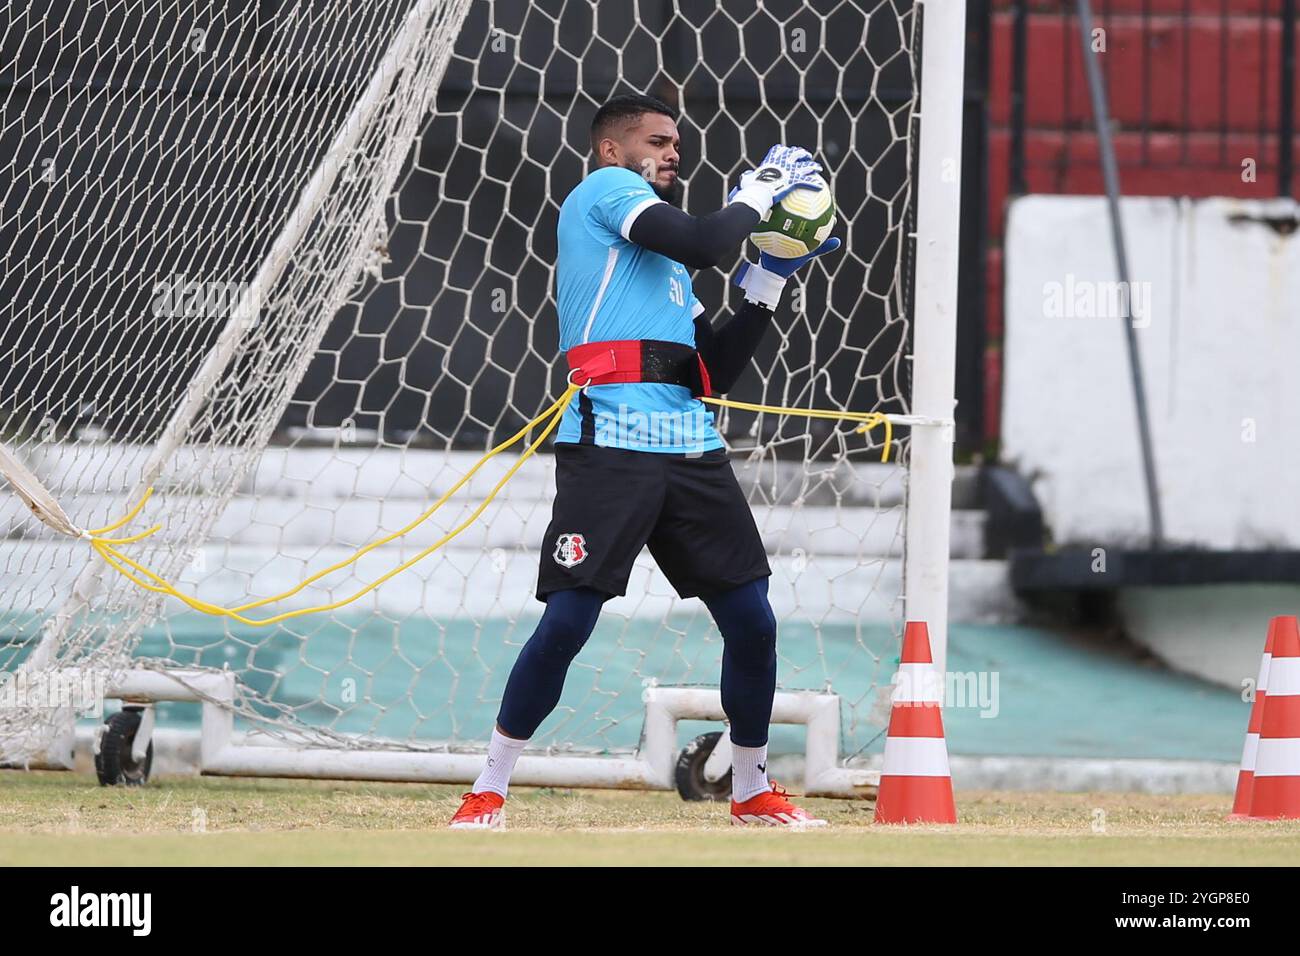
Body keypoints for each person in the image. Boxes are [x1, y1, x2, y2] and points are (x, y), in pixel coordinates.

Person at [449, 93, 839, 829]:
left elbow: (715, 371)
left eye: (676, 145)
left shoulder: (666, 270)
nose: (671, 152)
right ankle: (489, 787)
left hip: (690, 446)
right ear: (611, 150)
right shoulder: (604, 193)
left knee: (753, 621)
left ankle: (752, 788)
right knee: (568, 619)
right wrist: (762, 190)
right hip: (610, 442)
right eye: (657, 141)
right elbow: (700, 238)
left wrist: (771, 276)